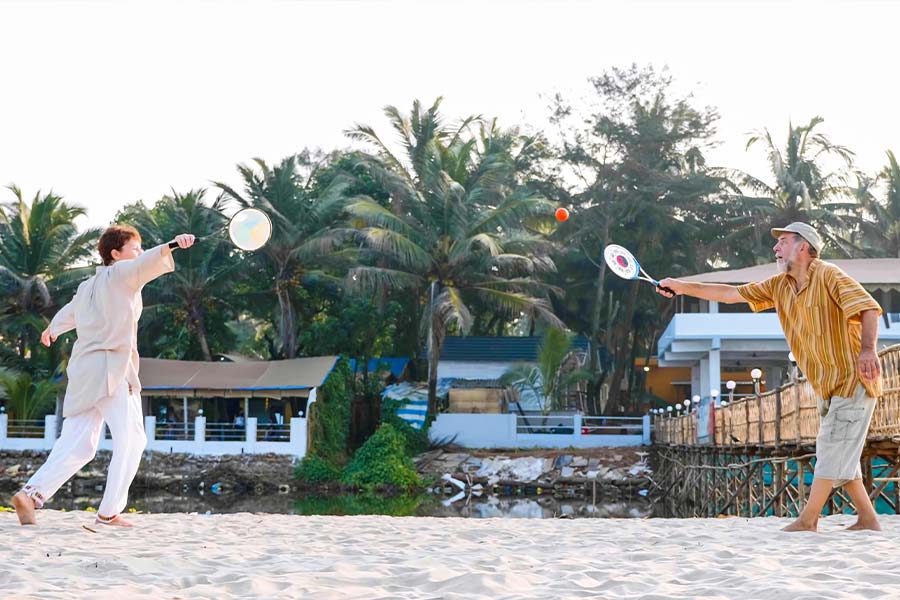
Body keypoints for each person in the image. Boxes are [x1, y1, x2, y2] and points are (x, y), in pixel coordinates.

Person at [656, 222, 883, 532]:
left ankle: (808, 520)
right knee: (841, 455)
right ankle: (868, 519)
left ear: (803, 247)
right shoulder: (779, 286)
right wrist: (681, 285)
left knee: (832, 448)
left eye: (783, 241)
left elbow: (869, 308)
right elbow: (731, 293)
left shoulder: (829, 275)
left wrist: (868, 350)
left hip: (853, 380)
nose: (775, 248)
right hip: (826, 386)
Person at [11, 226, 195, 527]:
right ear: (116, 254)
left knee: (78, 444)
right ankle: (109, 512)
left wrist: (52, 330)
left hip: (84, 370)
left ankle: (31, 494)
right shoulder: (123, 274)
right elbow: (144, 262)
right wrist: (173, 244)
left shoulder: (88, 286)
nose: (138, 252)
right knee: (133, 438)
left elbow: (68, 313)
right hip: (111, 369)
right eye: (134, 247)